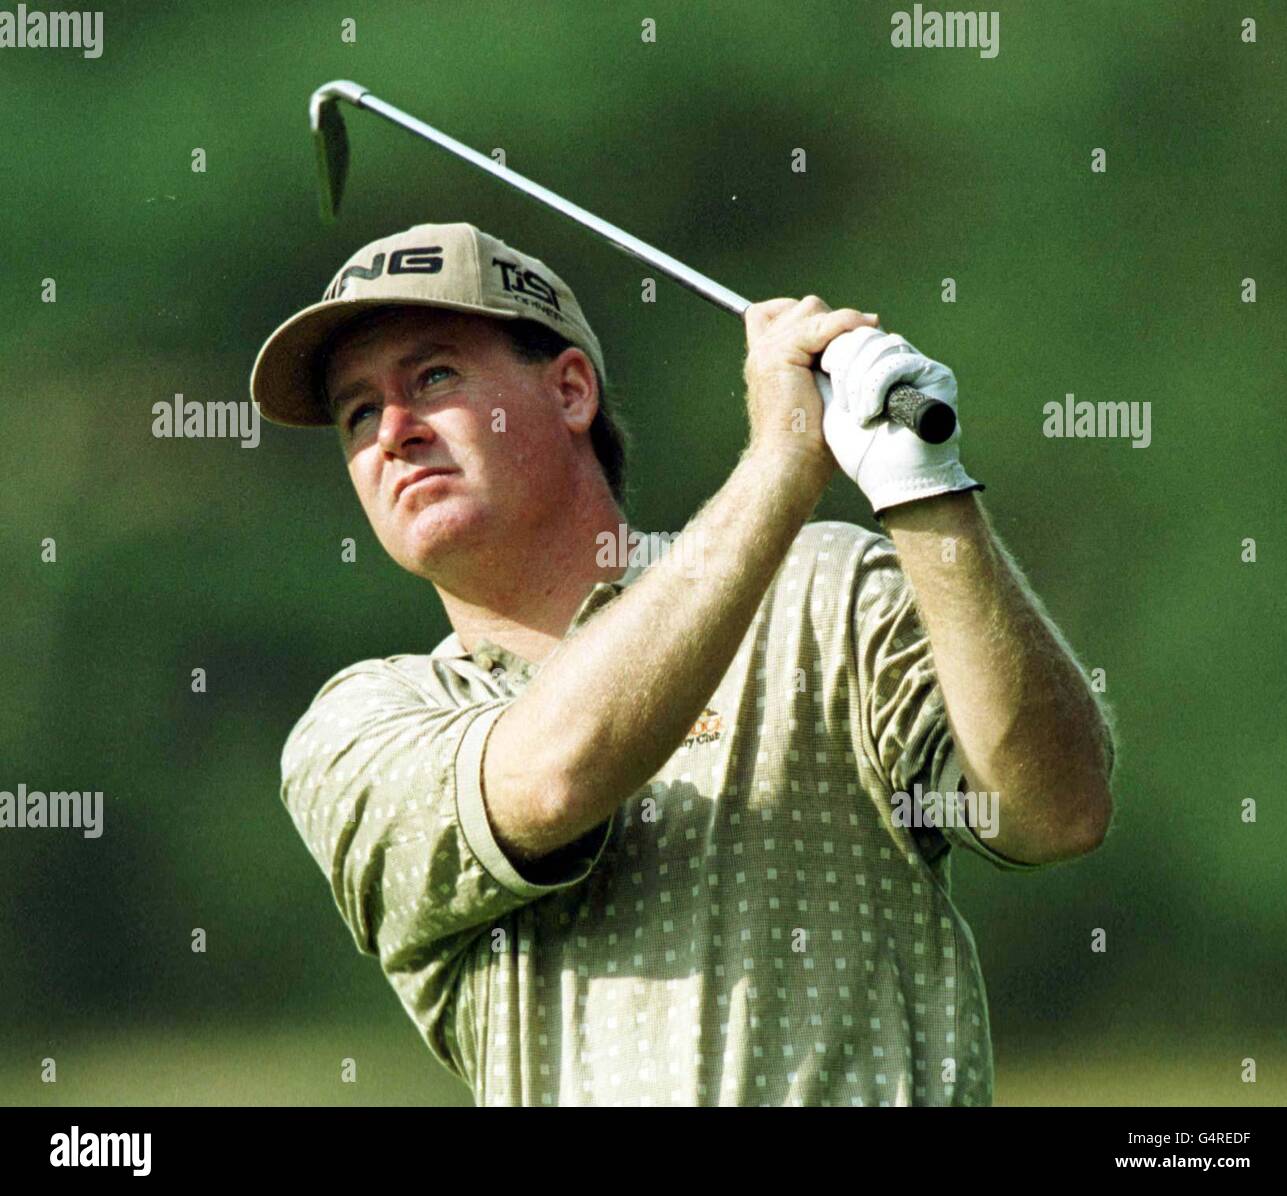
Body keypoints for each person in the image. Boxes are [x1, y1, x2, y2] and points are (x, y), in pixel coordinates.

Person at [250, 221, 1116, 1107]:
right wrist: (782, 460)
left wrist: (925, 488)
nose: (393, 432)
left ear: (571, 391)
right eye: (359, 413)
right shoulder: (357, 729)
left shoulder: (821, 589)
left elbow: (1057, 812)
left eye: (434, 378)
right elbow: (552, 780)